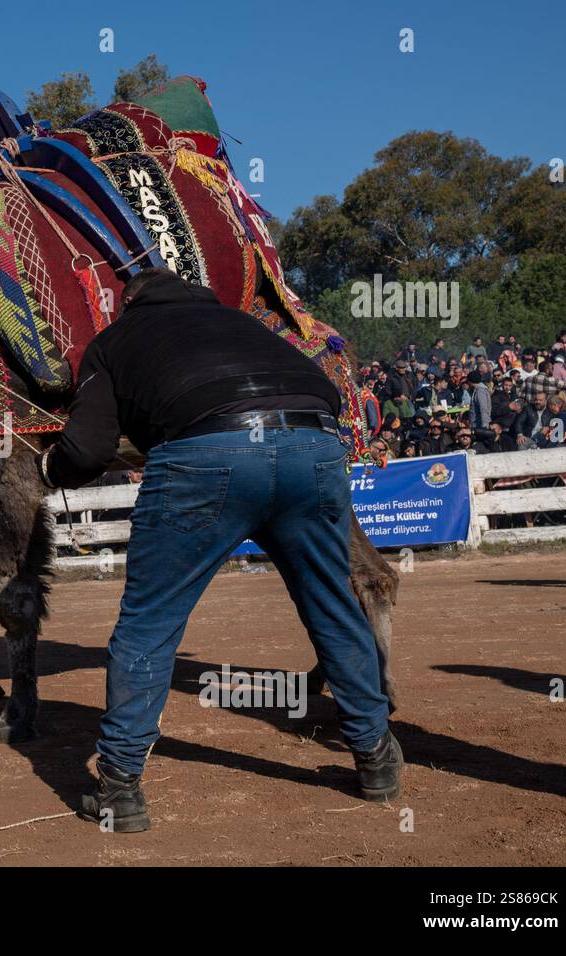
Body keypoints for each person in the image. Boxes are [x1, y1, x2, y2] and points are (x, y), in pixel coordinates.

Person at [37, 269, 398, 832]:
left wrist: (49, 467)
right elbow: (325, 390)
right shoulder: (242, 323)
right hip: (314, 447)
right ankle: (375, 755)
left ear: (128, 305)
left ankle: (120, 787)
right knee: (331, 604)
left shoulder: (112, 343)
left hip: (206, 459)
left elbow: (87, 451)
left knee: (149, 624)